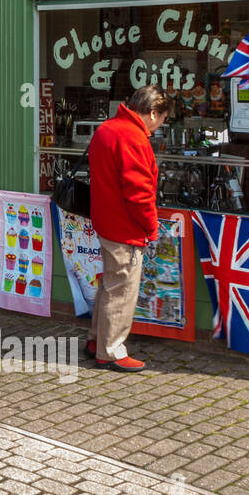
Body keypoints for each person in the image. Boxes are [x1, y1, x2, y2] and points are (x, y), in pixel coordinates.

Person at [84, 85, 168, 371]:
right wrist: (151, 227)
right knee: (122, 289)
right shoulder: (133, 137)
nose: (159, 126)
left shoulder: (108, 128)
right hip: (125, 225)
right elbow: (140, 194)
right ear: (153, 112)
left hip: (107, 220)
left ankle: (97, 339)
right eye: (161, 119)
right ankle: (111, 350)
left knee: (109, 285)